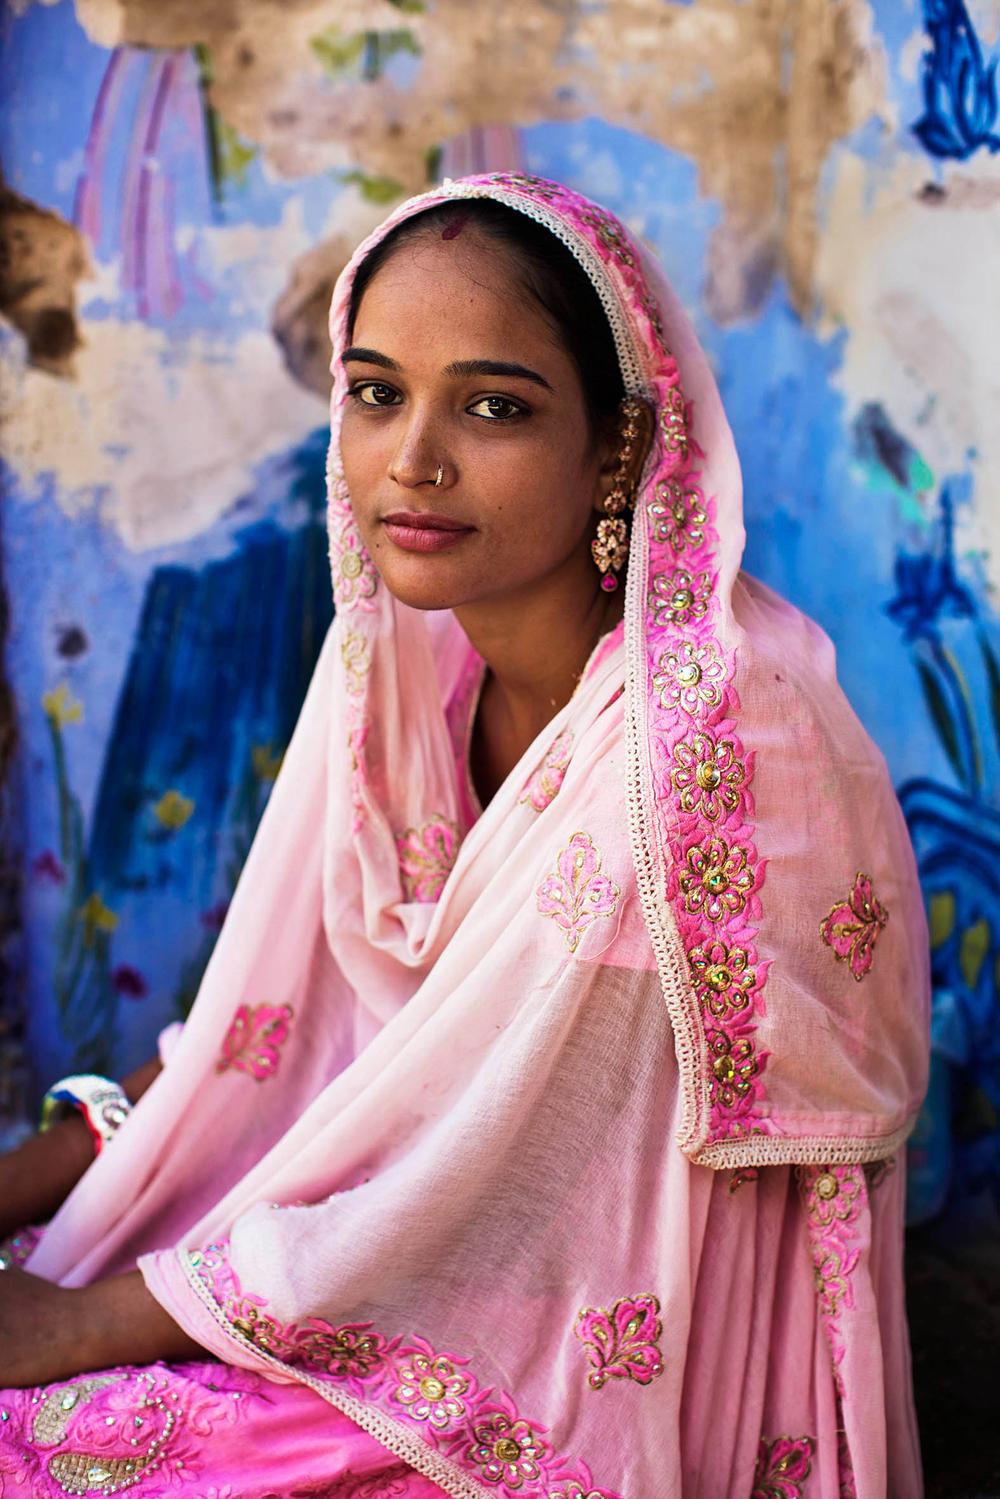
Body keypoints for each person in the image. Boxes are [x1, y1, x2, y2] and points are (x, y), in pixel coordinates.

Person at [0, 173, 929, 1499]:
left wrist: (83, 1321)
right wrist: (32, 1184)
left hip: (600, 1346)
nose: (413, 458)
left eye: (494, 406)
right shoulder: (411, 657)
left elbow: (474, 1167)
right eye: (377, 393)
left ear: (616, 448)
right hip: (405, 1260)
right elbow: (279, 1047)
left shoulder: (705, 753)